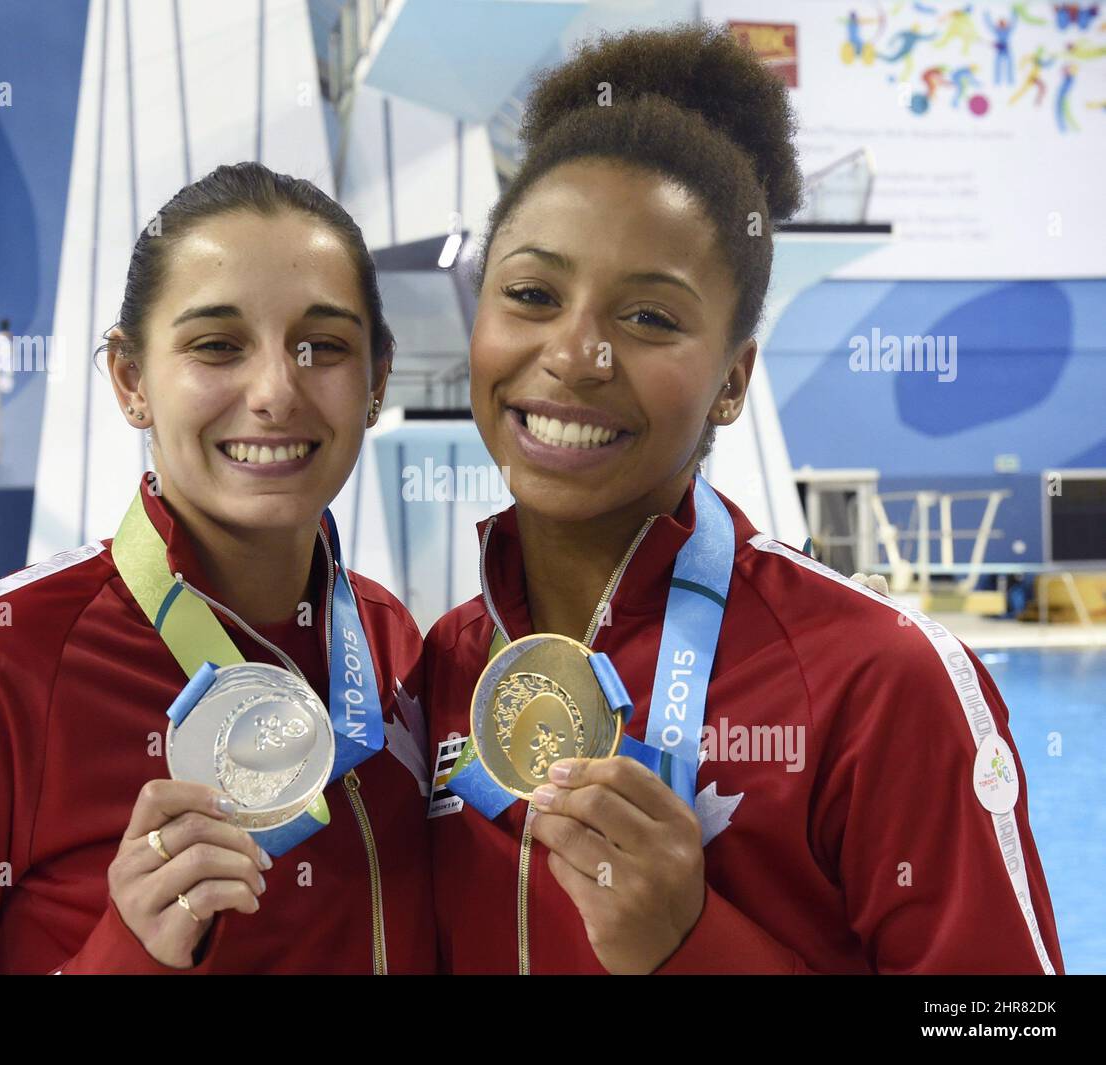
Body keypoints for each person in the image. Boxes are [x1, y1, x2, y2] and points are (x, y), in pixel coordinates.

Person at [422, 25, 1063, 975]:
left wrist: (694, 947)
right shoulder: (439, 672)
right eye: (531, 293)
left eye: (649, 317)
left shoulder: (878, 681)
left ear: (733, 379)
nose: (573, 354)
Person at [0, 163, 436, 974]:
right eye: (217, 345)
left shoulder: (395, 650)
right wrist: (120, 956)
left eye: (323, 347)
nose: (276, 390)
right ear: (132, 380)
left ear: (377, 378)